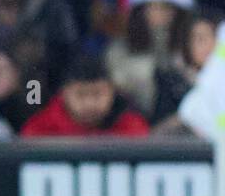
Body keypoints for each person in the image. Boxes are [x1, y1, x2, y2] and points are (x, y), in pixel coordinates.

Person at [21, 54, 150, 138]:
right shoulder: (40, 129)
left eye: (97, 94)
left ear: (112, 91)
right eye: (80, 95)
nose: (89, 103)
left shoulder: (131, 126)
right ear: (64, 94)